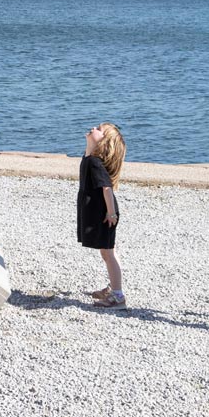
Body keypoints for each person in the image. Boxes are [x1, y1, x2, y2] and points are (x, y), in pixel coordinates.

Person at [77, 122, 127, 307]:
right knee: (106, 252)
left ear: (104, 142)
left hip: (105, 212)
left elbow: (107, 188)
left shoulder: (95, 162)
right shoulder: (89, 157)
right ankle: (113, 287)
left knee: (108, 252)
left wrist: (111, 213)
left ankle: (118, 296)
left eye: (99, 130)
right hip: (102, 210)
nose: (94, 129)